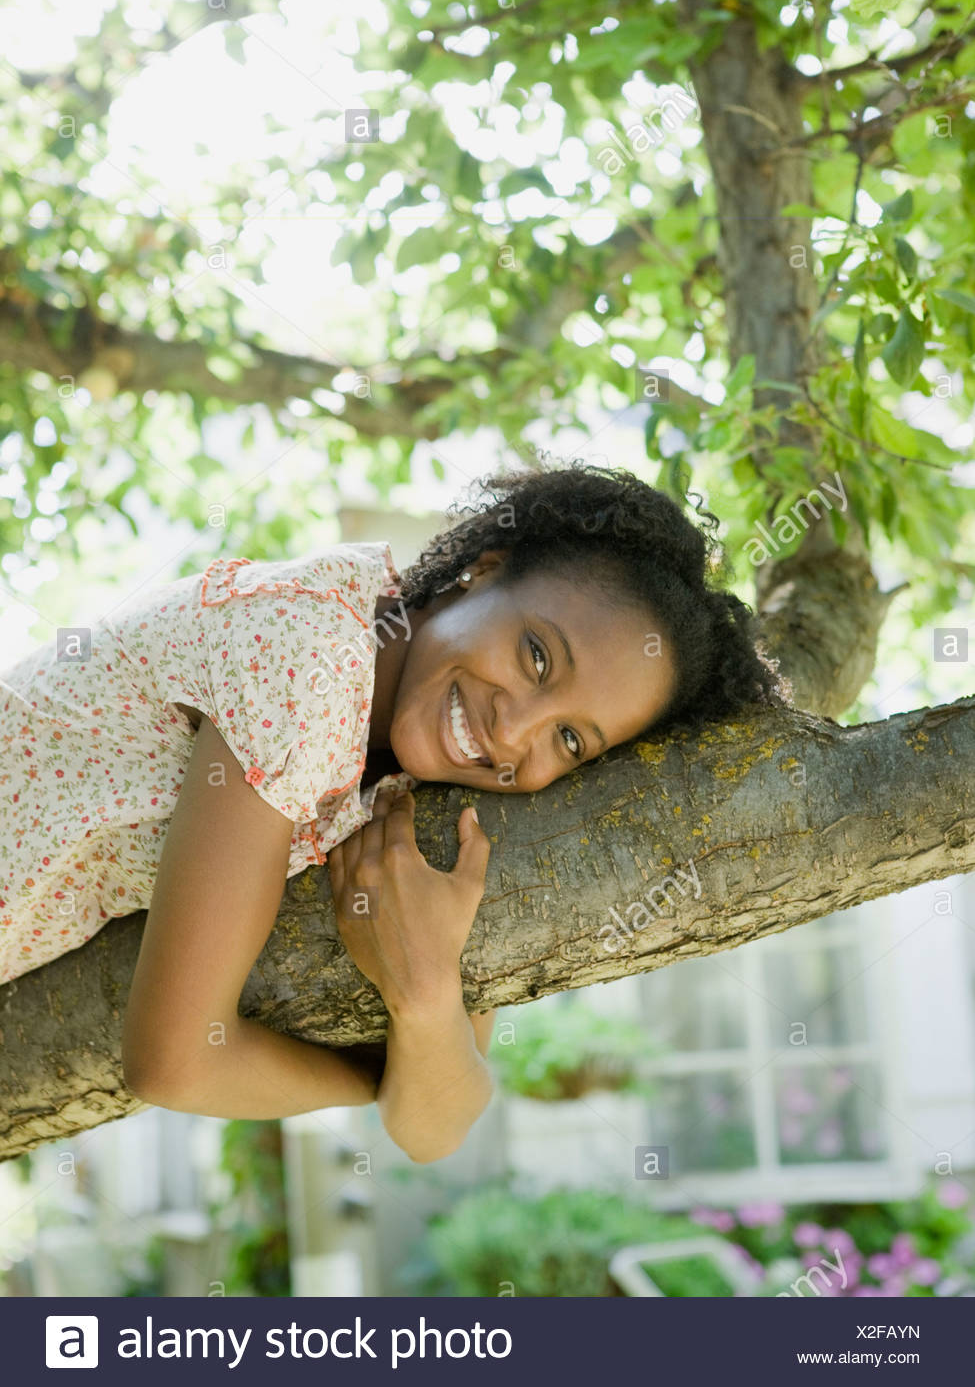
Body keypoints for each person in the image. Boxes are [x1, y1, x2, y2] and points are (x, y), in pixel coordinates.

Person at [0, 463, 788, 1162]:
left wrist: (426, 996)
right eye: (536, 656)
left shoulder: (415, 787)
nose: (511, 734)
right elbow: (174, 1061)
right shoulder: (312, 655)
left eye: (570, 738)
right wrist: (372, 1080)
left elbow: (436, 1131)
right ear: (481, 572)